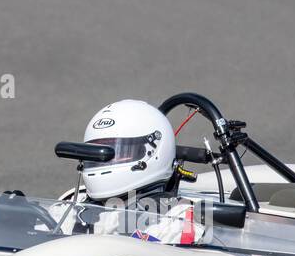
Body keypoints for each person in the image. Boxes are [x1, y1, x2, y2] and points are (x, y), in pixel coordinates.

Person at [75, 99, 202, 245]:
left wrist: (109, 221)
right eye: (97, 151)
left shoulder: (178, 218)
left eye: (120, 151)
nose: (103, 159)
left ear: (151, 152)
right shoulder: (75, 201)